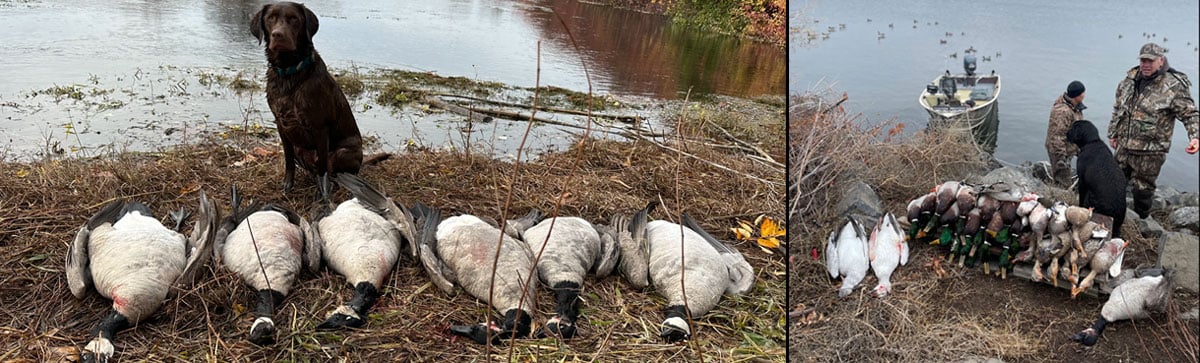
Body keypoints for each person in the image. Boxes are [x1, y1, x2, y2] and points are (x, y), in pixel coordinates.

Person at [1108, 42, 1200, 219]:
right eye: (1143, 60)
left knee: (1143, 190)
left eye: (1150, 61)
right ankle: (1115, 216)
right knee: (1115, 182)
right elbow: (1118, 108)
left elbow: (1190, 114)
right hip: (1123, 147)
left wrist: (1195, 137)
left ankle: (1142, 222)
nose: (1146, 64)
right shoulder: (1129, 80)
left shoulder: (1173, 86)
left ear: (1161, 61)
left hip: (1150, 152)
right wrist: (1113, 132)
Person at [1046, 80, 1087, 187]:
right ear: (1076, 95)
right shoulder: (1062, 112)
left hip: (1071, 147)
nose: (1084, 95)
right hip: (1059, 151)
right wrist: (1061, 158)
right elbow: (1056, 137)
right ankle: (1060, 199)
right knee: (1063, 182)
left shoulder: (1075, 107)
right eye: (1082, 93)